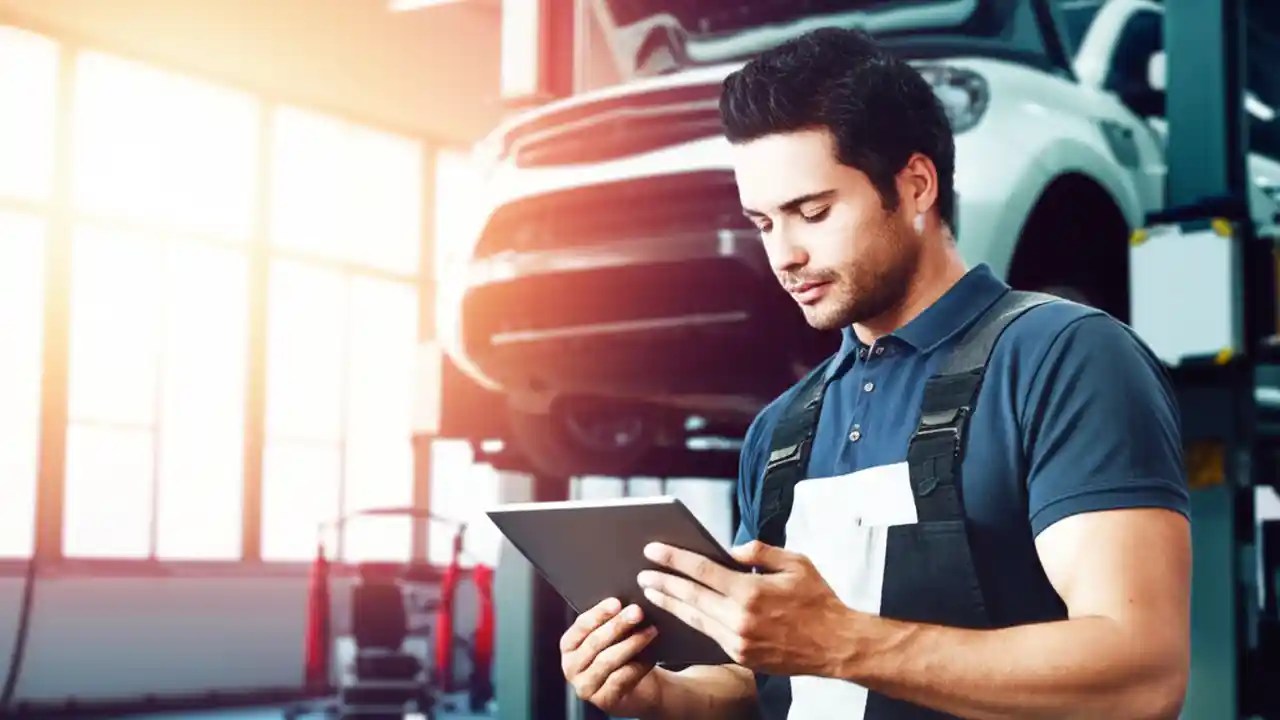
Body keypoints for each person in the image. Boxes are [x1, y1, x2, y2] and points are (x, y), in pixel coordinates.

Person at [558, 26, 1190, 720]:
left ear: (916, 186)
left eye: (812, 212)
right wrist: (661, 695)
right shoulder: (782, 430)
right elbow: (772, 683)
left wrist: (843, 642)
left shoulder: (1063, 359)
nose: (785, 255)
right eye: (764, 223)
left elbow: (1140, 677)